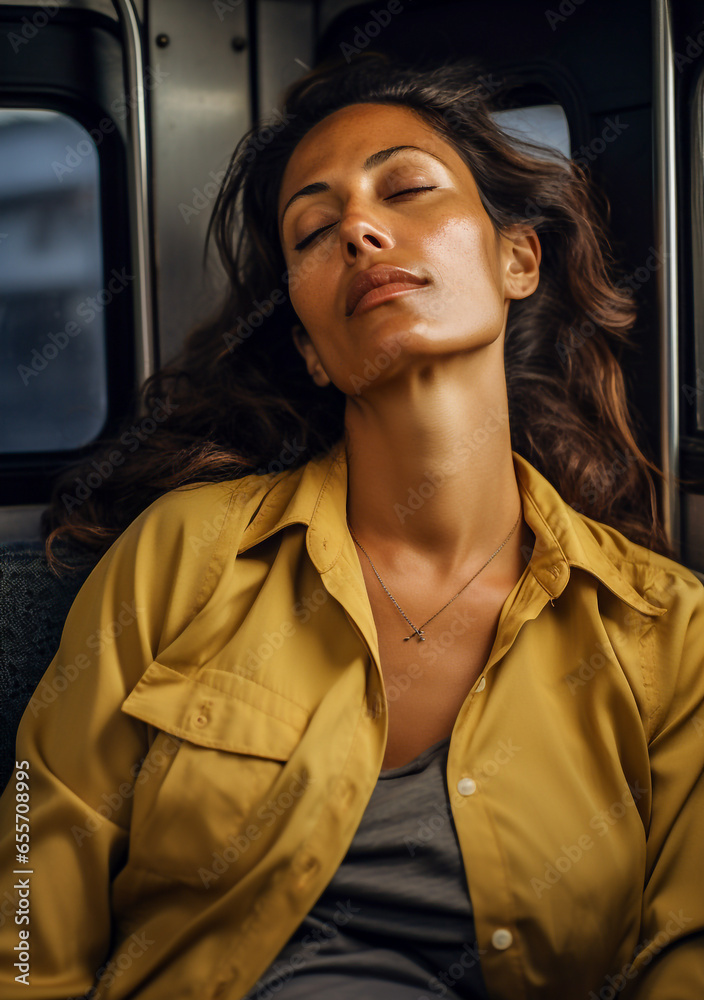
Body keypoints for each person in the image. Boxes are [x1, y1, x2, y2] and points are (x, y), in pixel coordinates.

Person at [0, 50, 702, 1000]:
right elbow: (36, 877)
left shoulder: (668, 630)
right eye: (314, 231)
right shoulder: (184, 553)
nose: (362, 230)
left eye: (406, 187)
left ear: (518, 258)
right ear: (311, 349)